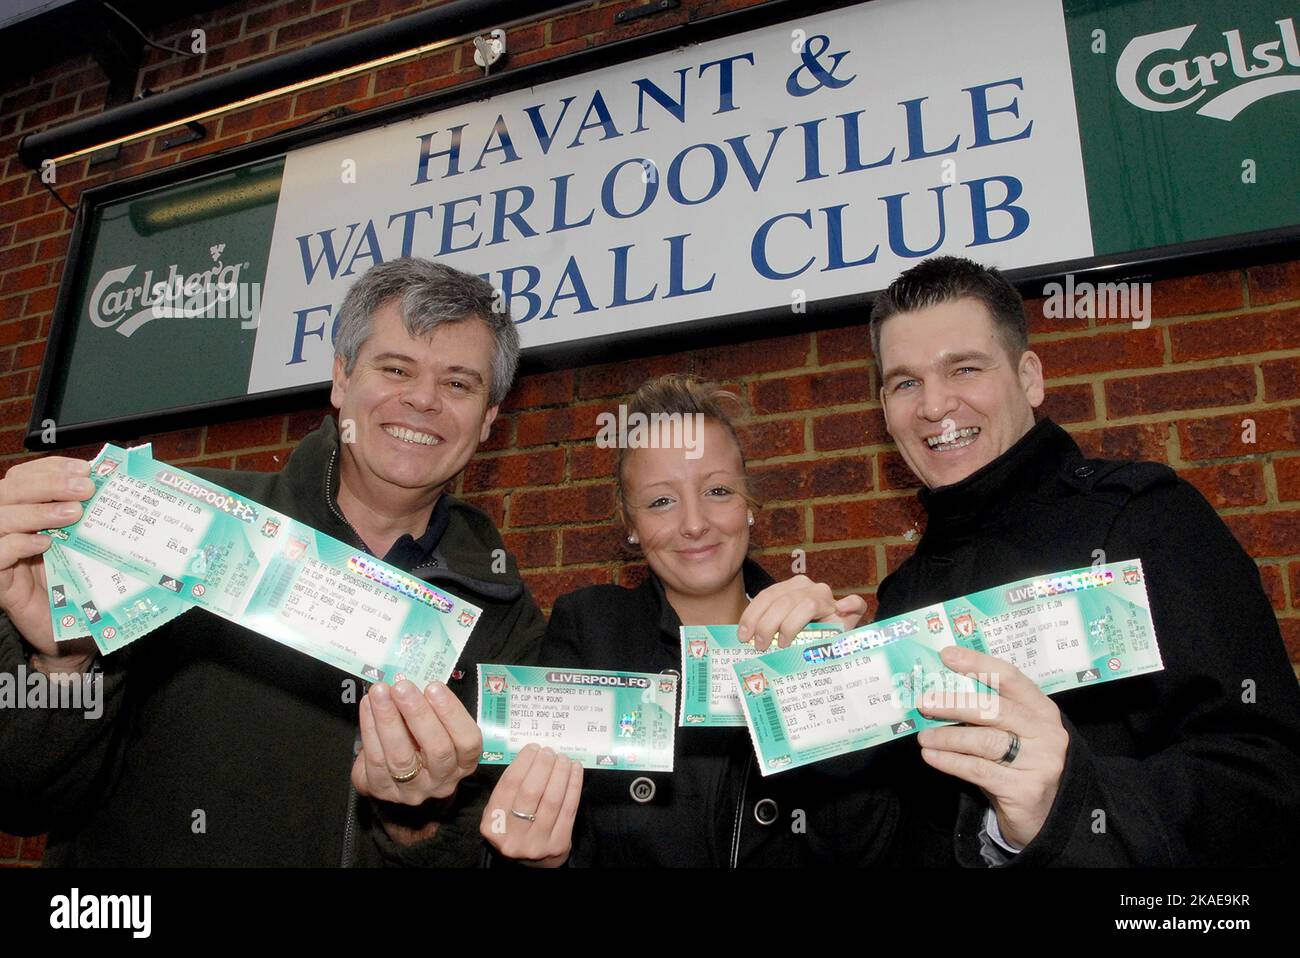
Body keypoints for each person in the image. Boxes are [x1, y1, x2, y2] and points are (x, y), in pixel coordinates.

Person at [0, 257, 545, 866]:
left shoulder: (508, 619)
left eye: (458, 384)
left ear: (489, 419)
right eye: (396, 369)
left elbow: (492, 850)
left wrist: (415, 826)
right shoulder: (167, 528)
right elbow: (21, 801)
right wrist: (62, 662)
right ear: (341, 379)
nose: (423, 400)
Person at [869, 255, 1300, 866]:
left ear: (1029, 378)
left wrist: (1068, 808)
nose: (935, 406)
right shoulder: (903, 597)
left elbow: (1270, 774)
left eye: (964, 368)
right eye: (905, 382)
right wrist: (819, 688)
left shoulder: (1142, 520)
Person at [478, 374, 954, 866]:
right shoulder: (590, 627)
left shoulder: (811, 639)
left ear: (749, 503)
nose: (693, 523)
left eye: (719, 491)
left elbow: (869, 850)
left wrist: (840, 696)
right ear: (630, 524)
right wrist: (539, 861)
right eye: (662, 500)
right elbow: (544, 829)